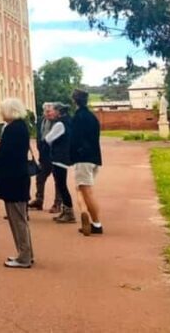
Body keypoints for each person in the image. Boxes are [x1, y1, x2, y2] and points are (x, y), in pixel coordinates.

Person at [0, 97, 34, 268]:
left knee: (17, 219)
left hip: (13, 178)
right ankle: (26, 253)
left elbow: (4, 152)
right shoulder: (20, 127)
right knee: (19, 218)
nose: (1, 113)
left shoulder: (13, 129)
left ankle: (24, 256)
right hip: (18, 177)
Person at [71, 89, 104, 235]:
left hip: (83, 158)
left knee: (87, 191)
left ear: (74, 101)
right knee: (80, 189)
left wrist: (73, 155)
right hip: (95, 157)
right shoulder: (92, 117)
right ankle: (85, 213)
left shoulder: (78, 117)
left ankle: (96, 223)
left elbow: (75, 139)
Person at [43, 102, 75, 224]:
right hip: (65, 156)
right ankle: (66, 211)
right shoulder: (69, 121)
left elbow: (48, 138)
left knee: (62, 185)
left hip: (59, 157)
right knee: (61, 185)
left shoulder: (60, 124)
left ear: (58, 112)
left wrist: (46, 143)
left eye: (54, 110)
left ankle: (69, 212)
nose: (52, 112)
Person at [29, 102, 61, 212]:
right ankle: (39, 200)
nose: (48, 114)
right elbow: (39, 136)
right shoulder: (40, 120)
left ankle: (57, 204)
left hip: (56, 156)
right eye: (46, 111)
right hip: (44, 156)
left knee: (58, 180)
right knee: (40, 177)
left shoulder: (59, 122)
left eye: (50, 111)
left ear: (55, 111)